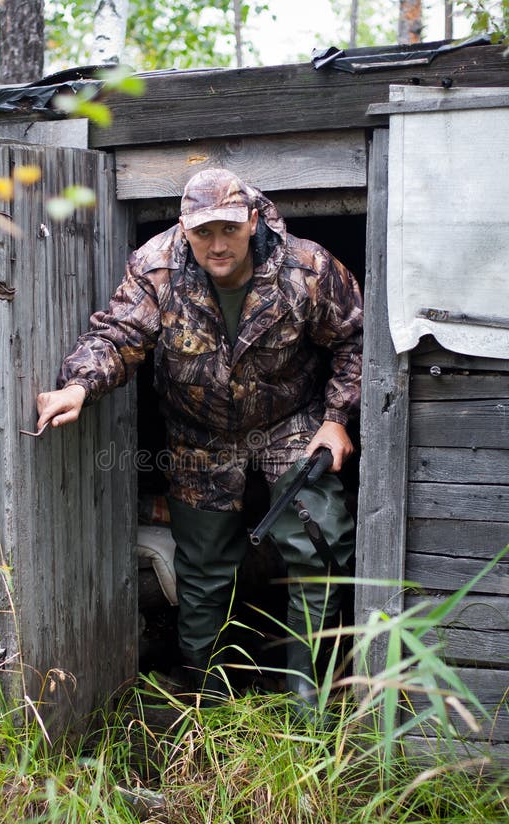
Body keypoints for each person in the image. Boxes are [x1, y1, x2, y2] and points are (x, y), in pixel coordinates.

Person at [36, 168, 363, 717]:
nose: (217, 244)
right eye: (203, 231)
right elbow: (118, 335)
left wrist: (338, 418)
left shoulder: (307, 267)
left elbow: (355, 337)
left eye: (229, 230)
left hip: (290, 419)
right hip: (200, 432)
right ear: (184, 227)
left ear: (253, 220)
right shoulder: (156, 266)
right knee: (202, 563)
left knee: (319, 538)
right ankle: (203, 689)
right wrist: (78, 386)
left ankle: (309, 686)